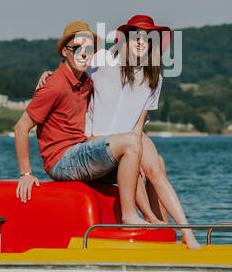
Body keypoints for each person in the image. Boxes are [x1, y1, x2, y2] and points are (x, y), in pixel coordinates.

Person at [37, 14, 201, 249]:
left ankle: (182, 231)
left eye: (147, 38)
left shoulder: (154, 77)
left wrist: (138, 146)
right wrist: (49, 73)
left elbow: (140, 121)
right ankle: (150, 220)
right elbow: (75, 64)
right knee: (137, 158)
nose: (141, 42)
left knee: (157, 167)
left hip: (129, 140)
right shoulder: (104, 60)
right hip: (95, 141)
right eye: (136, 36)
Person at [12, 22, 149, 225]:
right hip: (62, 161)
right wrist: (26, 174)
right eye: (77, 48)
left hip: (79, 151)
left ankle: (152, 220)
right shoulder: (54, 86)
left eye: (90, 49)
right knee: (131, 142)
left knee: (137, 167)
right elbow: (21, 127)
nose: (84, 54)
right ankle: (129, 215)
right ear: (66, 52)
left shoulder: (86, 81)